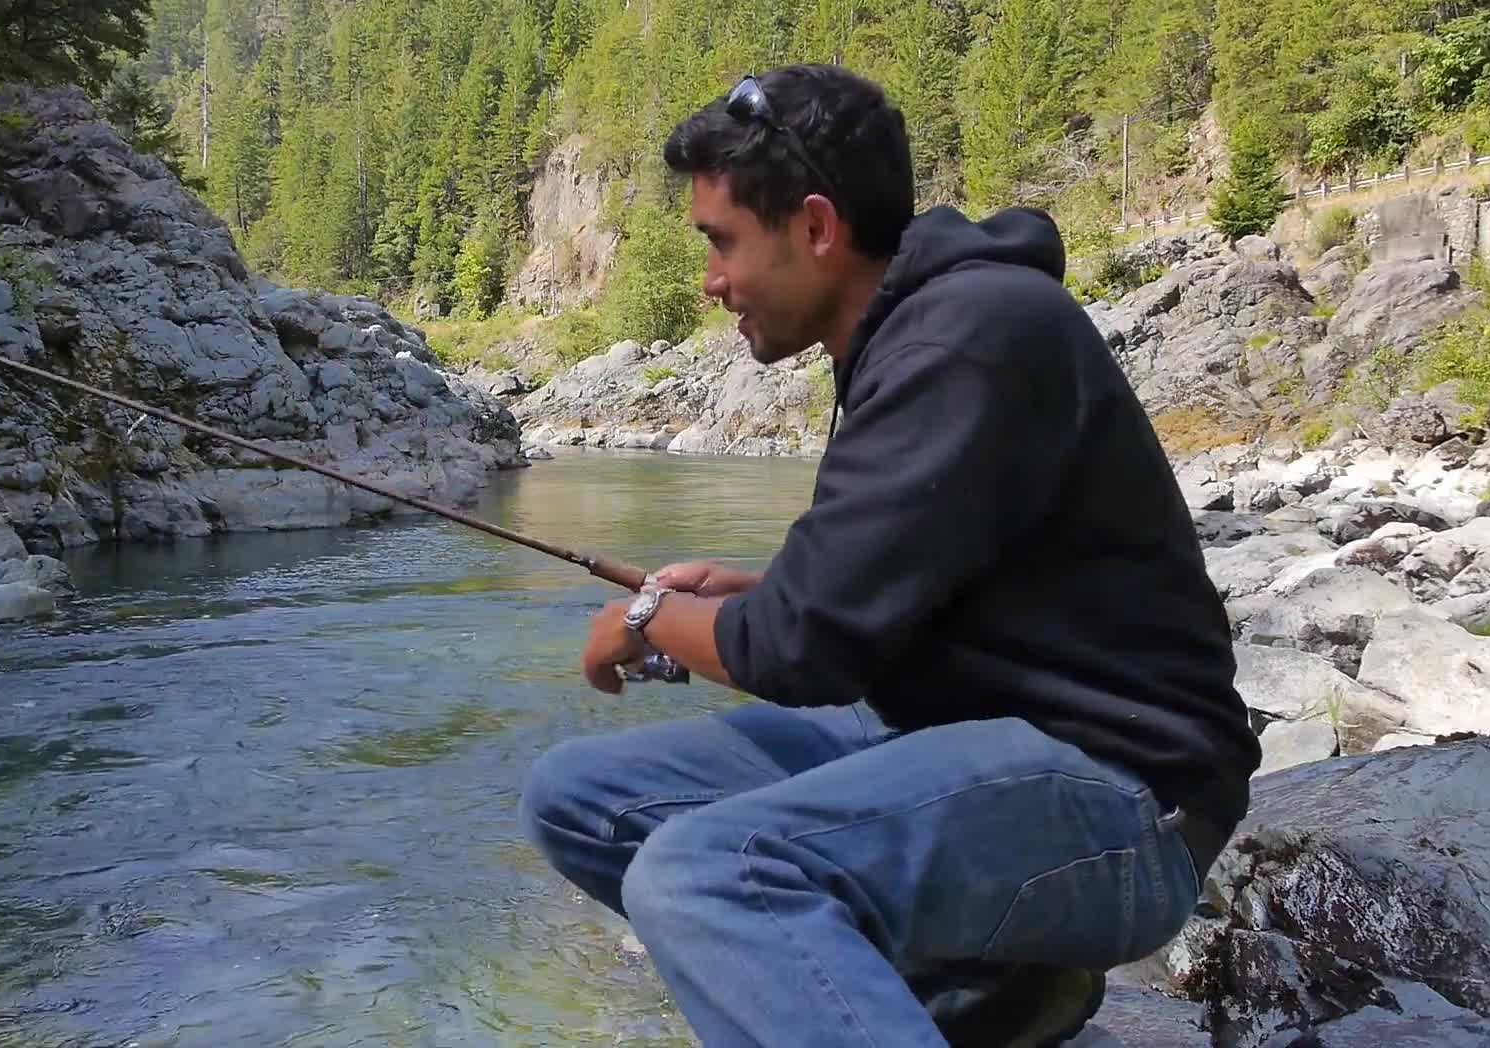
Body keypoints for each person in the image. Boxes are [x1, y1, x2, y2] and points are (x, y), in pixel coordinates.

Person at [517, 63, 1261, 1047]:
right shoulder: (910, 332)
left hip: (1130, 802)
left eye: (721, 241)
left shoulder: (967, 333)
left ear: (817, 229)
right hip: (972, 745)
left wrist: (645, 617)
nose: (710, 280)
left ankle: (966, 987)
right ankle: (980, 997)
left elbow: (804, 650)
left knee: (706, 871)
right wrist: (764, 592)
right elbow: (877, 595)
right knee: (575, 797)